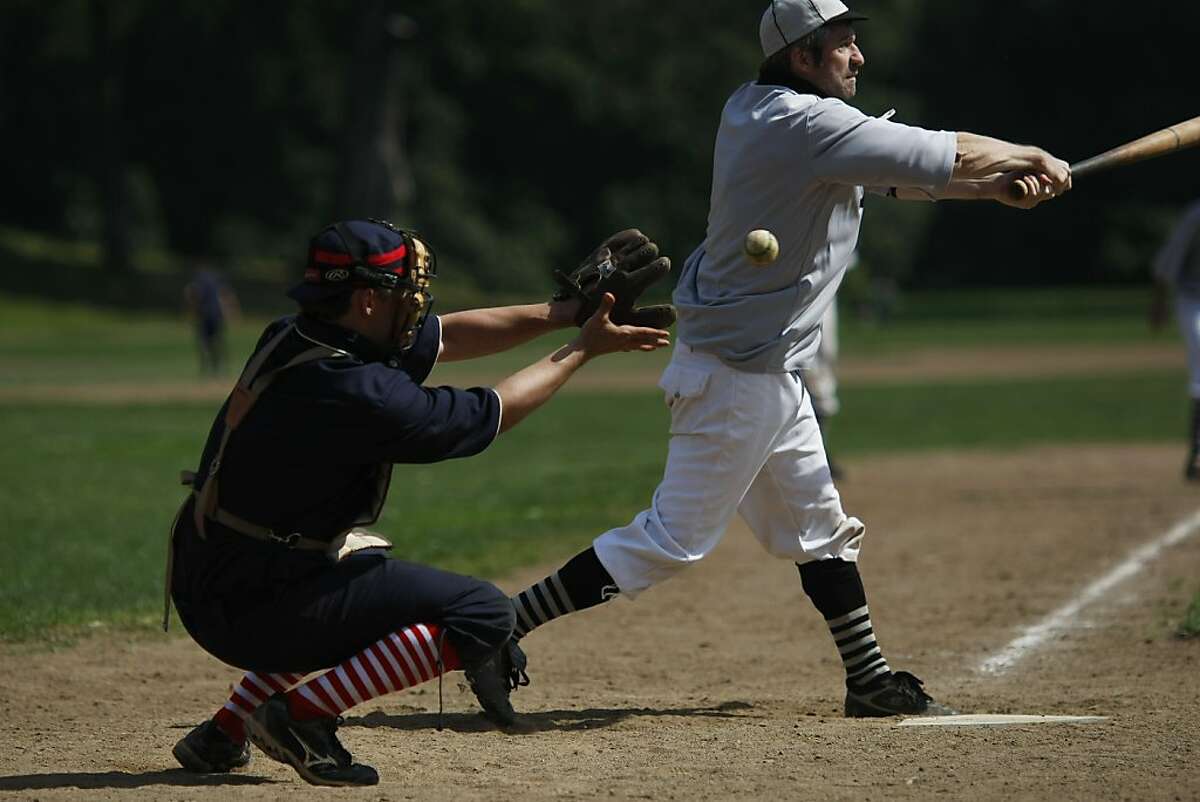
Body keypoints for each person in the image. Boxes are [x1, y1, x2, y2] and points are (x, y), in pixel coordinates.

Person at [504, 0, 1071, 719]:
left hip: (764, 370)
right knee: (672, 541)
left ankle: (869, 679)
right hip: (736, 375)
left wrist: (989, 188)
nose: (859, 56)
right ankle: (499, 625)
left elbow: (892, 175)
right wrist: (1029, 155)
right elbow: (941, 152)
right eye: (843, 44)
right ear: (802, 57)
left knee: (820, 529)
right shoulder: (803, 123)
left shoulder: (759, 106)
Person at [166, 219, 672, 786]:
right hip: (251, 604)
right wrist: (583, 348)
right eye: (405, 293)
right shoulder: (357, 391)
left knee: (361, 566)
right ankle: (300, 717)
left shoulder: (302, 336)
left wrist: (565, 313)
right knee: (482, 614)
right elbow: (494, 412)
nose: (416, 305)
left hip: (218, 567)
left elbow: (448, 336)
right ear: (366, 300)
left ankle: (225, 731)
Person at [1149, 198, 1200, 479]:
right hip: (1193, 299)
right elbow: (1168, 261)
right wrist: (1159, 303)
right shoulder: (1196, 216)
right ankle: (1197, 452)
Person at [801, 251, 853, 479]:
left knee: (825, 360)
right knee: (807, 369)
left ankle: (819, 452)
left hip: (825, 285)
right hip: (793, 286)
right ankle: (812, 455)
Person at [183, 265, 240, 375]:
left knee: (204, 342)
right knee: (218, 341)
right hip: (216, 315)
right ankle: (218, 366)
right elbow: (228, 296)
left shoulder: (198, 281)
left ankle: (206, 366)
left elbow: (190, 295)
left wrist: (191, 314)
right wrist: (232, 313)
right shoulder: (216, 281)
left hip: (205, 315)